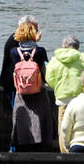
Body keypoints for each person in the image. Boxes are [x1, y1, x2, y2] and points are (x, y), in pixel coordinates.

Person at [46, 36, 84, 152]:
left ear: (63, 46)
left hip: (63, 99)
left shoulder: (55, 60)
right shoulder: (83, 58)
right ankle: (78, 151)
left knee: (63, 128)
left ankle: (65, 154)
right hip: (80, 99)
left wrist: (58, 88)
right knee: (79, 128)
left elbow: (49, 77)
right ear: (77, 47)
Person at [9, 20, 55, 152]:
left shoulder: (14, 52)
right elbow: (43, 69)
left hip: (21, 91)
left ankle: (21, 145)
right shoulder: (40, 51)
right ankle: (41, 144)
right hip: (38, 90)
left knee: (22, 120)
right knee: (41, 119)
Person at [0, 15, 39, 110]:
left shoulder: (16, 39)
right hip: (15, 85)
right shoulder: (16, 41)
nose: (36, 33)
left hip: (16, 83)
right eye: (34, 30)